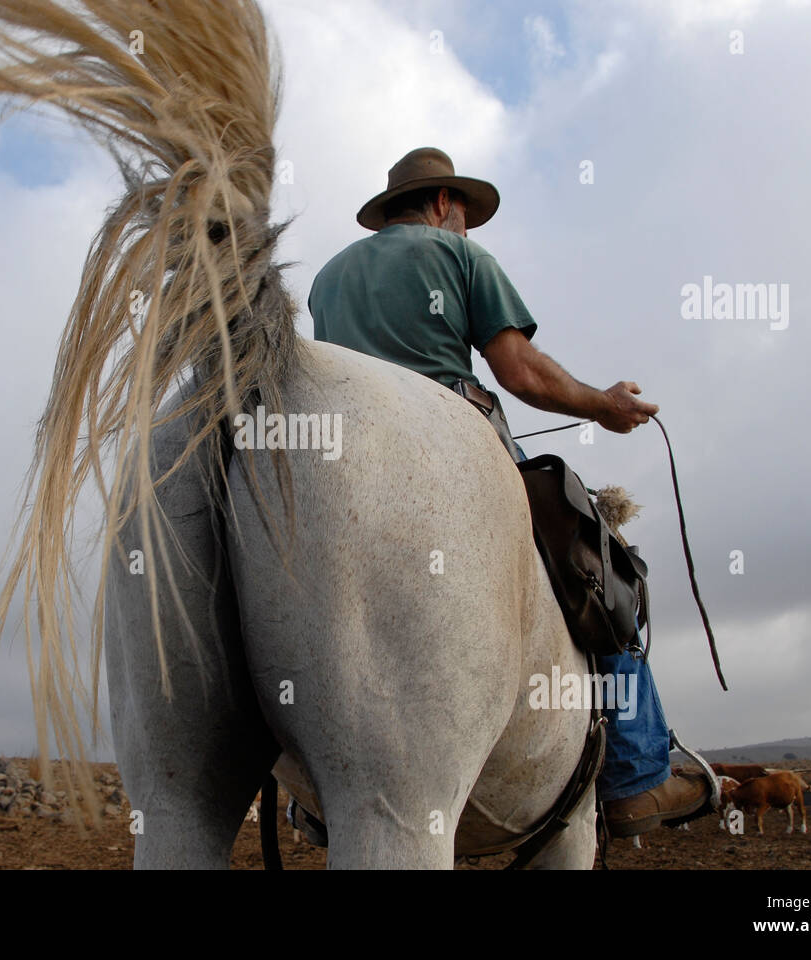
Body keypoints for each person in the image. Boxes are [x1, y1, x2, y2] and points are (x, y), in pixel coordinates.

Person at [307, 146, 711, 838]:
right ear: (442, 204)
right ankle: (636, 775)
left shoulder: (328, 278)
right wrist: (603, 404)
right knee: (596, 560)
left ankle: (309, 795)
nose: (465, 226)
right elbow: (519, 372)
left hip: (334, 460)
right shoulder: (459, 258)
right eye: (463, 213)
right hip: (448, 431)